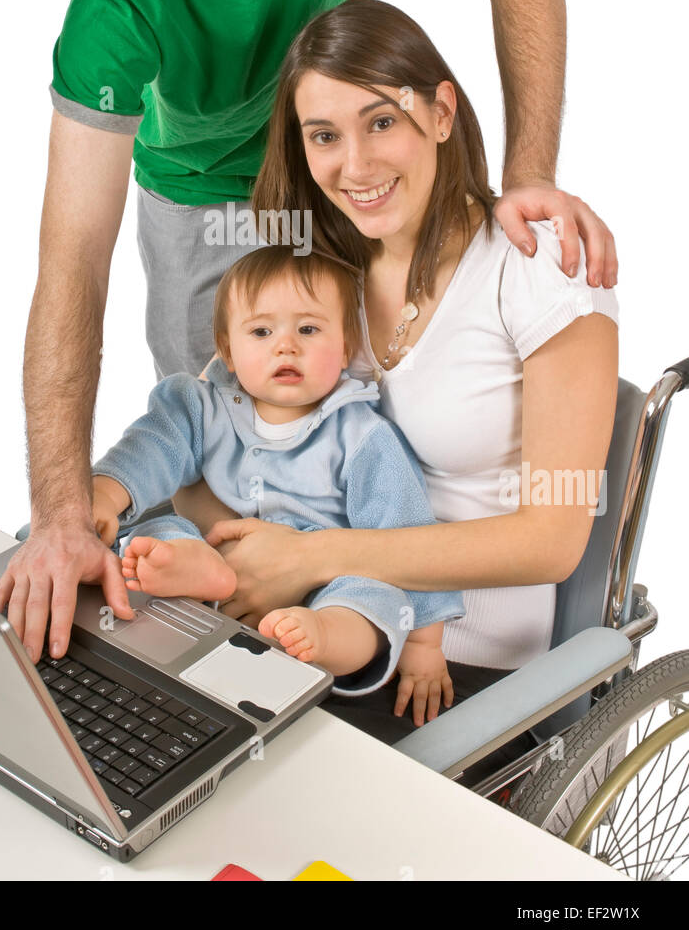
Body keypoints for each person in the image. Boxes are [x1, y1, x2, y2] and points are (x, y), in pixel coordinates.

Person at [0, 0, 617, 667]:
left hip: (332, 155)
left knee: (353, 411)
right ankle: (240, 644)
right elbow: (71, 263)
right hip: (208, 199)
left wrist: (527, 179)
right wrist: (65, 512)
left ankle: (327, 603)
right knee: (220, 435)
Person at [196, 0, 619, 761]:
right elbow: (211, 434)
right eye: (324, 135)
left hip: (456, 660)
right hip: (312, 613)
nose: (353, 166)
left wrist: (317, 555)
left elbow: (552, 540)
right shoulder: (323, 272)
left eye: (381, 121)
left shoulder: (538, 269)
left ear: (441, 113)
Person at [88, 244, 464, 704]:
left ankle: (322, 636)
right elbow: (154, 445)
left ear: (346, 347)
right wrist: (106, 494)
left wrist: (424, 643)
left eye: (308, 329)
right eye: (262, 331)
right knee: (162, 530)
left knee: (376, 597)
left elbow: (406, 530)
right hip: (219, 555)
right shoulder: (201, 407)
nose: (286, 345)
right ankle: (193, 566)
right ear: (227, 351)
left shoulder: (363, 436)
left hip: (324, 584)